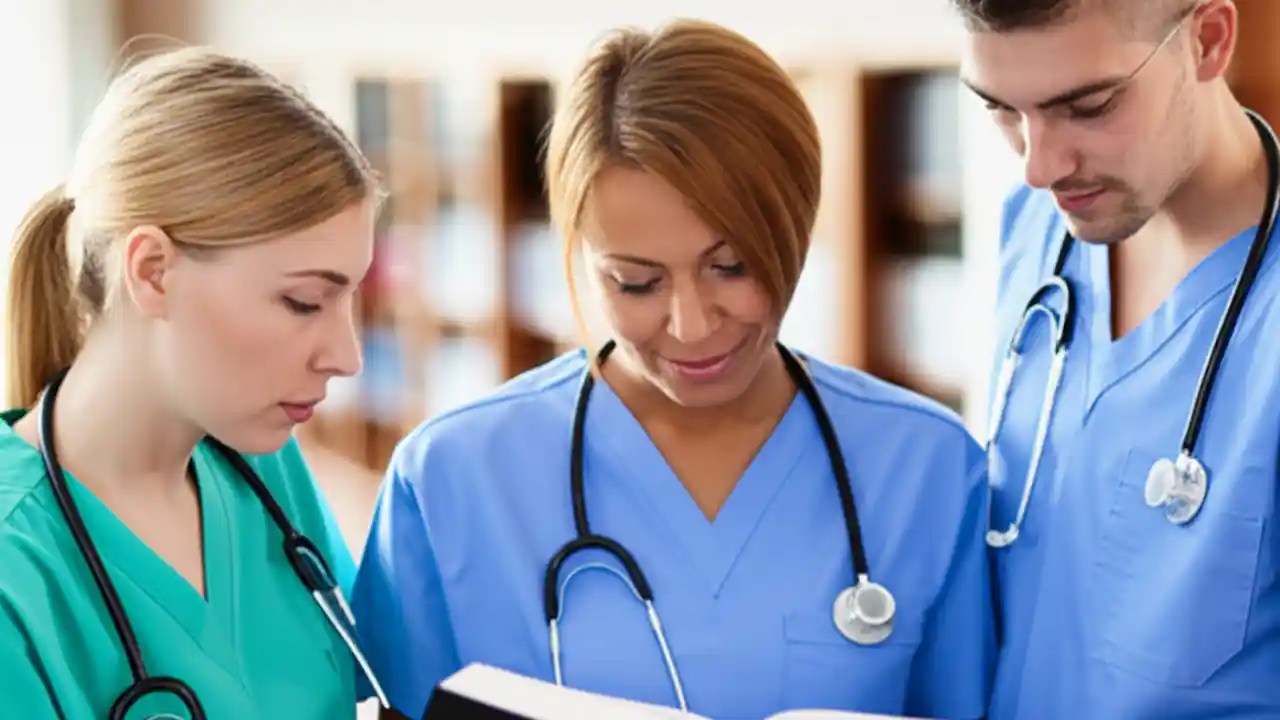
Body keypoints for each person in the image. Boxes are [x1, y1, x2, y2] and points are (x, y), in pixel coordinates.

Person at [350, 18, 994, 720]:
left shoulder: (925, 468)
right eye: (636, 283)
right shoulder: (451, 478)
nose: (690, 325)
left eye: (732, 267)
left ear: (801, 226)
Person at [0, 46, 387, 718]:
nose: (346, 357)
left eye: (350, 297)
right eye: (302, 302)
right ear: (152, 271)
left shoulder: (266, 475)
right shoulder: (18, 569)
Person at [953, 0, 1280, 717]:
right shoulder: (1036, 229)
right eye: (1003, 110)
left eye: (1089, 106)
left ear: (1209, 39)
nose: (1040, 165)